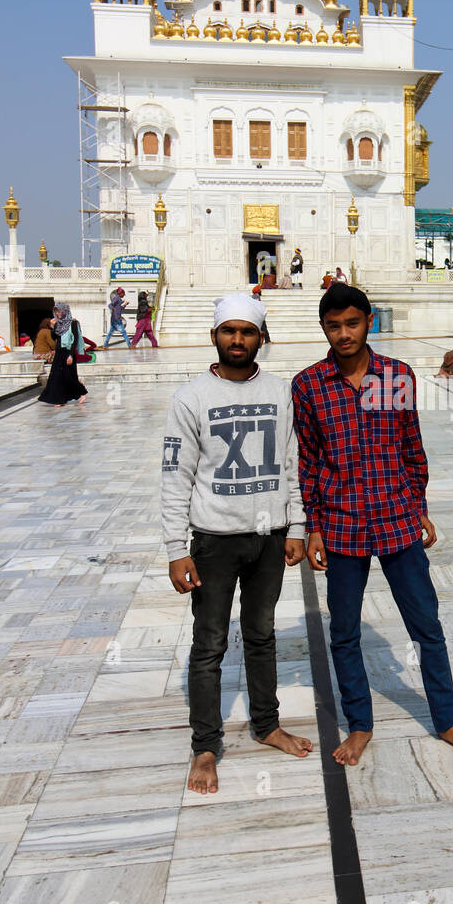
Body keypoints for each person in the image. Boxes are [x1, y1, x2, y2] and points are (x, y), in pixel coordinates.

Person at [291, 283, 453, 767]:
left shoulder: (396, 376)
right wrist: (313, 526)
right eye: (333, 326)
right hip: (341, 524)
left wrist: (419, 504)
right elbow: (310, 463)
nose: (343, 334)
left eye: (352, 323)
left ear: (368, 322)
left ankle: (445, 719)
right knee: (344, 633)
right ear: (323, 328)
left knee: (427, 625)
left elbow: (410, 446)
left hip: (397, 518)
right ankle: (359, 724)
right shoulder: (308, 384)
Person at [162, 293, 310, 795]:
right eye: (230, 331)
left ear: (261, 339)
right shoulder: (190, 398)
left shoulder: (281, 392)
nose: (239, 340)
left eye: (248, 331)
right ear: (215, 337)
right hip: (213, 542)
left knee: (262, 634)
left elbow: (293, 461)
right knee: (209, 644)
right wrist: (174, 547)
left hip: (268, 539)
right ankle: (205, 746)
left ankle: (266, 724)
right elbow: (176, 476)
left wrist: (296, 528)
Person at [38, 302, 88, 407]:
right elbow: (54, 337)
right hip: (59, 352)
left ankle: (82, 393)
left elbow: (74, 340)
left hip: (68, 352)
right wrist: (52, 326)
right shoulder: (58, 324)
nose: (58, 313)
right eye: (56, 311)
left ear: (65, 310)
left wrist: (71, 355)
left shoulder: (73, 323)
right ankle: (60, 400)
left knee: (69, 376)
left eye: (59, 311)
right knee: (56, 376)